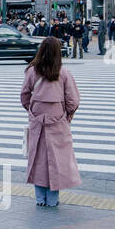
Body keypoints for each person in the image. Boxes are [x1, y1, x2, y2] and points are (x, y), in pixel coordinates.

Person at [21, 36, 82, 208]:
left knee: (38, 158)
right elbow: (73, 101)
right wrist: (67, 116)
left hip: (37, 119)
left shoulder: (32, 71)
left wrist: (32, 112)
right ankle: (53, 200)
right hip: (58, 119)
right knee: (57, 159)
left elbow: (24, 96)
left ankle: (40, 199)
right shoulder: (63, 72)